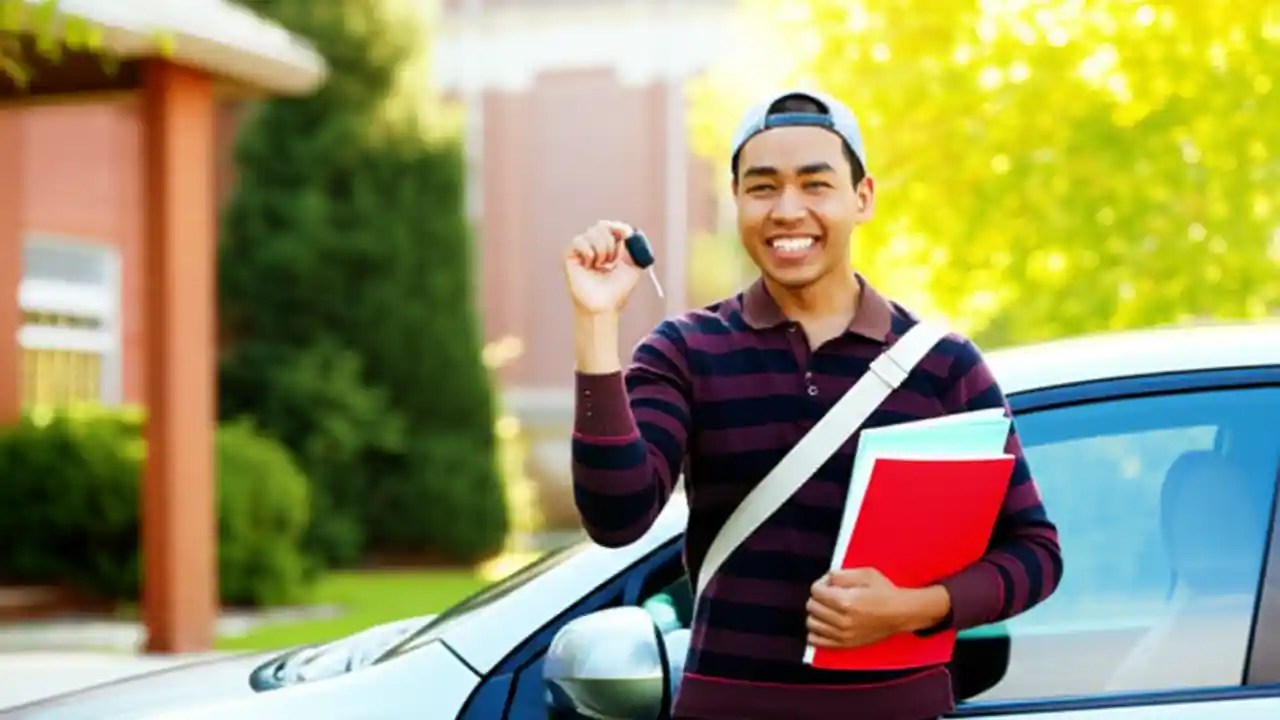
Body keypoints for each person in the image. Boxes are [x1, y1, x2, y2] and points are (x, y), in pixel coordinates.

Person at [562, 88, 1062, 720]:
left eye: (814, 185)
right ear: (737, 201)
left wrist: (915, 607)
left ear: (862, 198)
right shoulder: (684, 352)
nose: (787, 210)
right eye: (763, 187)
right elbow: (616, 518)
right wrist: (596, 321)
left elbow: (1035, 552)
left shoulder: (944, 366)